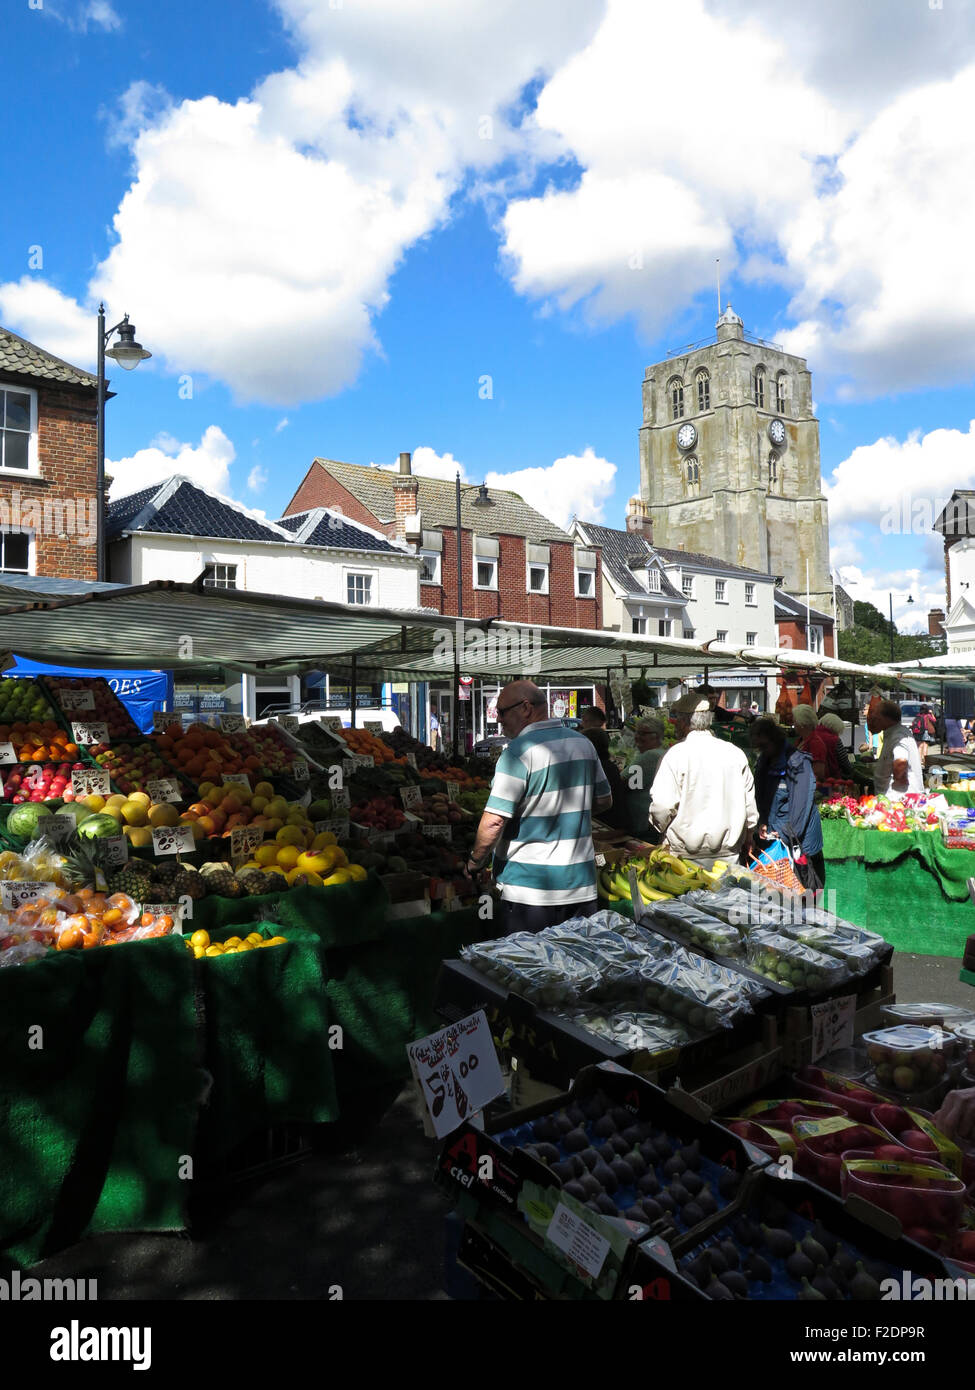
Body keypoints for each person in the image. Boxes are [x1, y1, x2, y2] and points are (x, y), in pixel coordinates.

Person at [467, 680, 612, 934]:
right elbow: (603, 800)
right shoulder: (583, 744)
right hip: (580, 887)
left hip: (530, 894)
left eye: (501, 712)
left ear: (525, 708)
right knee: (579, 968)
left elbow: (494, 821)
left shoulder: (517, 753)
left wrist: (474, 862)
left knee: (531, 970)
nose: (498, 719)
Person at [649, 693, 759, 861]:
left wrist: (660, 828)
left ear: (684, 722)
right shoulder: (735, 754)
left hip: (684, 856)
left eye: (677, 718)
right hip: (728, 854)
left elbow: (662, 807)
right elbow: (749, 808)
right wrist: (749, 833)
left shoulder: (675, 755)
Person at [750, 716, 825, 890]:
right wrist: (761, 824)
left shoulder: (798, 763)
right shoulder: (764, 762)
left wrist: (782, 833)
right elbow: (760, 798)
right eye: (758, 747)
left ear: (774, 740)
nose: (761, 751)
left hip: (801, 844)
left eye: (764, 746)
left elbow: (800, 808)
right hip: (776, 837)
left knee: (804, 897)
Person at [580, 706, 628, 829]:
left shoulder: (594, 768)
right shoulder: (610, 766)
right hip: (618, 823)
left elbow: (603, 802)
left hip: (605, 825)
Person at [867, 699, 924, 798]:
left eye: (876, 718)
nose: (873, 721)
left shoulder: (898, 735)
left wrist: (899, 780)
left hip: (898, 800)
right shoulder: (893, 733)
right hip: (892, 799)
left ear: (885, 719)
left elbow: (901, 761)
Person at [624, 716, 665, 838]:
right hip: (651, 820)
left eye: (643, 733)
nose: (638, 736)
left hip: (643, 821)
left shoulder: (651, 755)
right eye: (637, 732)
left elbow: (624, 781)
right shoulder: (661, 753)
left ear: (657, 736)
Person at [818, 713, 873, 788]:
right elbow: (846, 765)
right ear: (834, 728)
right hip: (832, 781)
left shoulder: (813, 735)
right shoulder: (835, 740)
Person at [791, 702, 839, 781]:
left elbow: (818, 772)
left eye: (795, 722)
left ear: (802, 723)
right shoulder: (800, 740)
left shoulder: (815, 743)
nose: (794, 725)